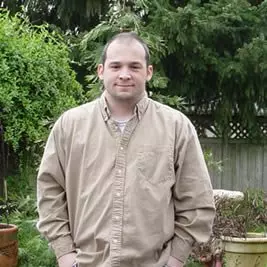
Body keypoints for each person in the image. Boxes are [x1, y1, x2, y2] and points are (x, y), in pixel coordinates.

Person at [37, 32, 215, 267]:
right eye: (115, 66)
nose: (124, 74)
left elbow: (197, 201)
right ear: (101, 71)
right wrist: (65, 254)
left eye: (134, 66)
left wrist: (174, 259)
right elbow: (50, 191)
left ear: (148, 71)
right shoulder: (70, 126)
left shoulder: (176, 127)